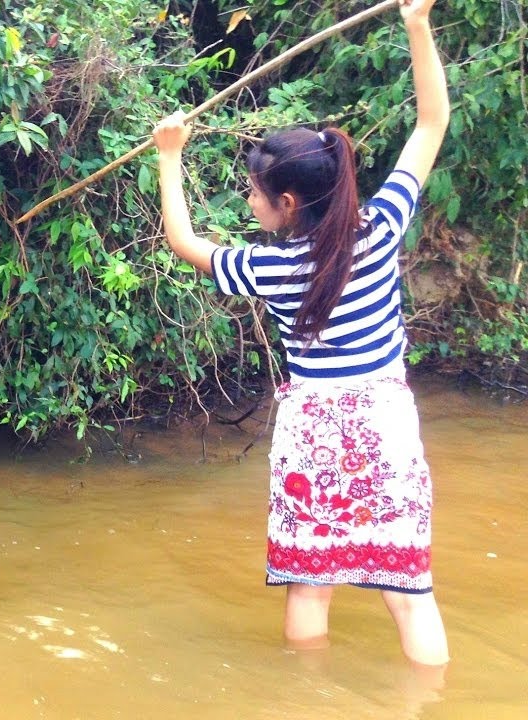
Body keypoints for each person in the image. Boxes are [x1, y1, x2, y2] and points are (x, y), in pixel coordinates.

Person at [151, 0, 451, 668]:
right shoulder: (381, 227)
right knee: (409, 593)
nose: (248, 203)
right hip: (383, 423)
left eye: (255, 194)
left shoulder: (267, 267)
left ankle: (304, 698)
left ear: (288, 203)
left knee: (311, 587)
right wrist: (416, 23)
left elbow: (181, 241)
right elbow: (433, 122)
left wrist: (170, 155)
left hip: (313, 429)